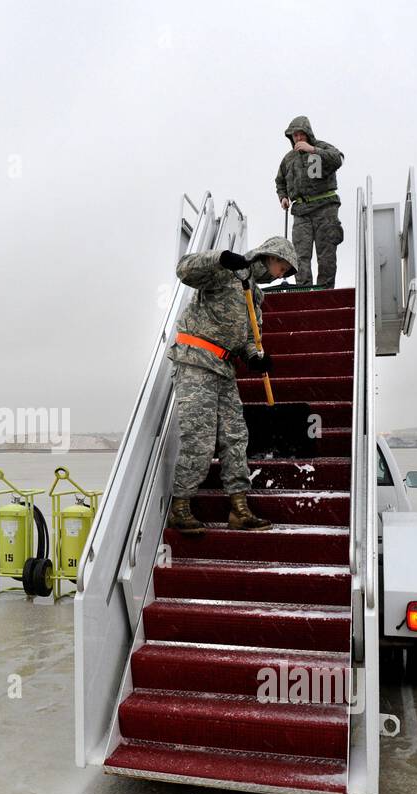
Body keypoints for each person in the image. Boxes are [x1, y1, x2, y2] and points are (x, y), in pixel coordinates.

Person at [166, 237, 299, 535]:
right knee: (198, 437)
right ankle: (181, 507)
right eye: (281, 265)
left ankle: (239, 508)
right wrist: (219, 258)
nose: (282, 273)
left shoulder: (255, 295)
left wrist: (254, 357)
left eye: (286, 271)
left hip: (225, 369)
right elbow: (184, 270)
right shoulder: (226, 272)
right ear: (268, 256)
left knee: (235, 437)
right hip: (196, 360)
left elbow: (252, 337)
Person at [275, 115, 344, 288]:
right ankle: (304, 290)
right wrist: (283, 196)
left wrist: (312, 149)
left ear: (308, 133)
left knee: (326, 253)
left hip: (325, 208)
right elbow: (280, 181)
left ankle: (325, 291)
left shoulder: (322, 147)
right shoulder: (288, 159)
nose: (298, 138)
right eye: (294, 135)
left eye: (301, 134)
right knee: (300, 255)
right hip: (300, 211)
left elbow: (338, 159)